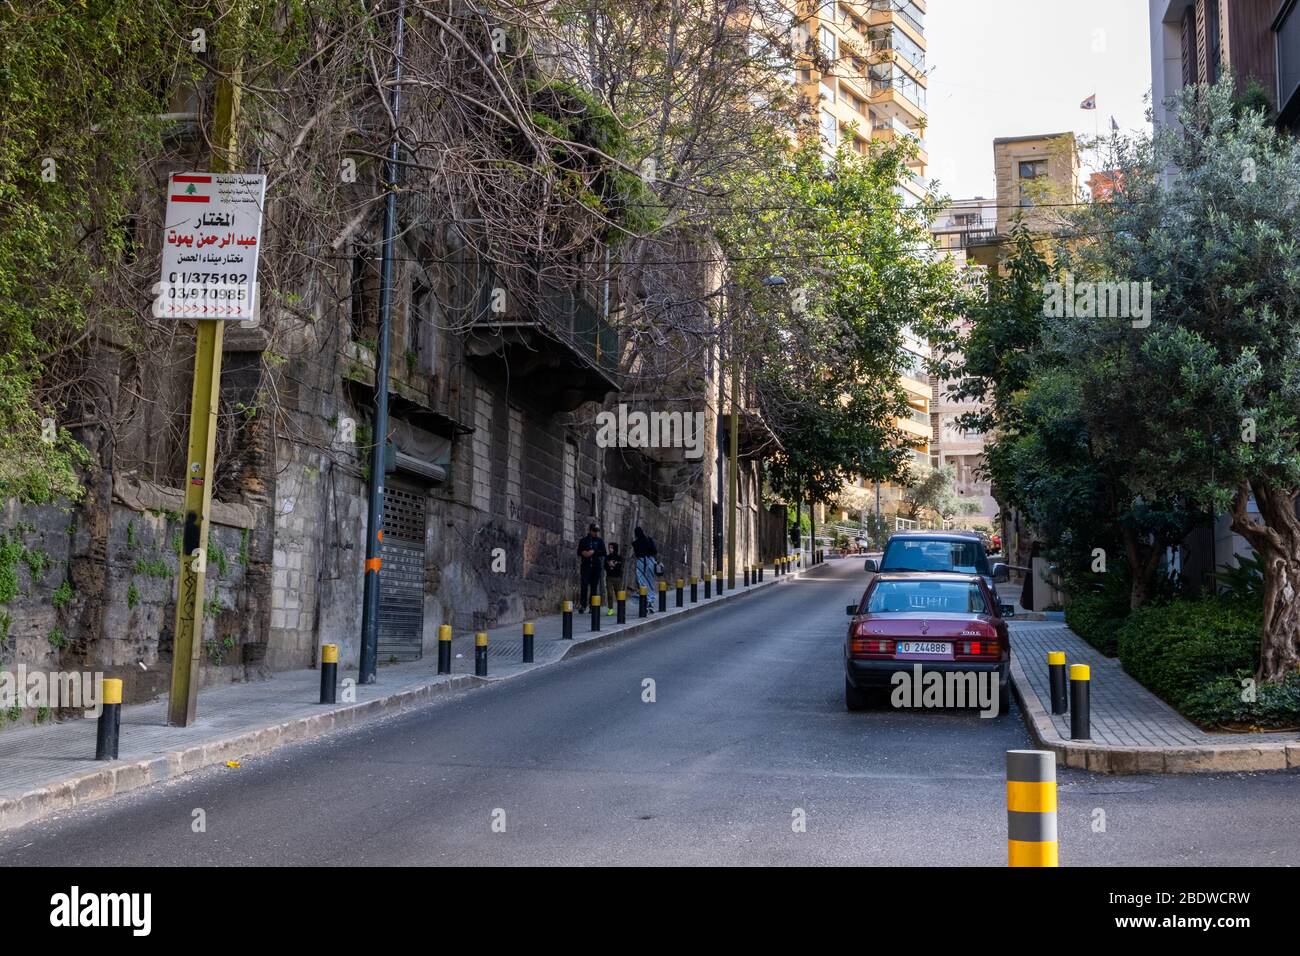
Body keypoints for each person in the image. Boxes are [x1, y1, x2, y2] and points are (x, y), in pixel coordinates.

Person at [576, 523, 606, 610]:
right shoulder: (584, 540)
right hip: (586, 566)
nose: (595, 533)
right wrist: (584, 553)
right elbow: (579, 551)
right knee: (584, 585)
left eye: (597, 531)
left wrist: (594, 551)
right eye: (594, 531)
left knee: (594, 586)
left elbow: (603, 552)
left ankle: (592, 605)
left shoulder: (600, 541)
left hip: (596, 567)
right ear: (590, 530)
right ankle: (583, 605)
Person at [631, 526, 658, 612]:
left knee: (642, 583)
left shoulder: (635, 543)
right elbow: (654, 551)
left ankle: (645, 601)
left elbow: (637, 554)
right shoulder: (648, 540)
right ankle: (650, 601)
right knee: (650, 583)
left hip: (640, 564)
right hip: (650, 562)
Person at [604, 542, 624, 616]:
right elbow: (605, 566)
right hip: (609, 577)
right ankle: (610, 609)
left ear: (615, 548)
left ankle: (620, 608)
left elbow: (620, 567)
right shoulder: (607, 557)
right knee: (609, 593)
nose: (610, 549)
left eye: (611, 548)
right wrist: (610, 566)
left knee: (618, 594)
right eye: (609, 547)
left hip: (617, 578)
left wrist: (613, 566)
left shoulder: (619, 558)